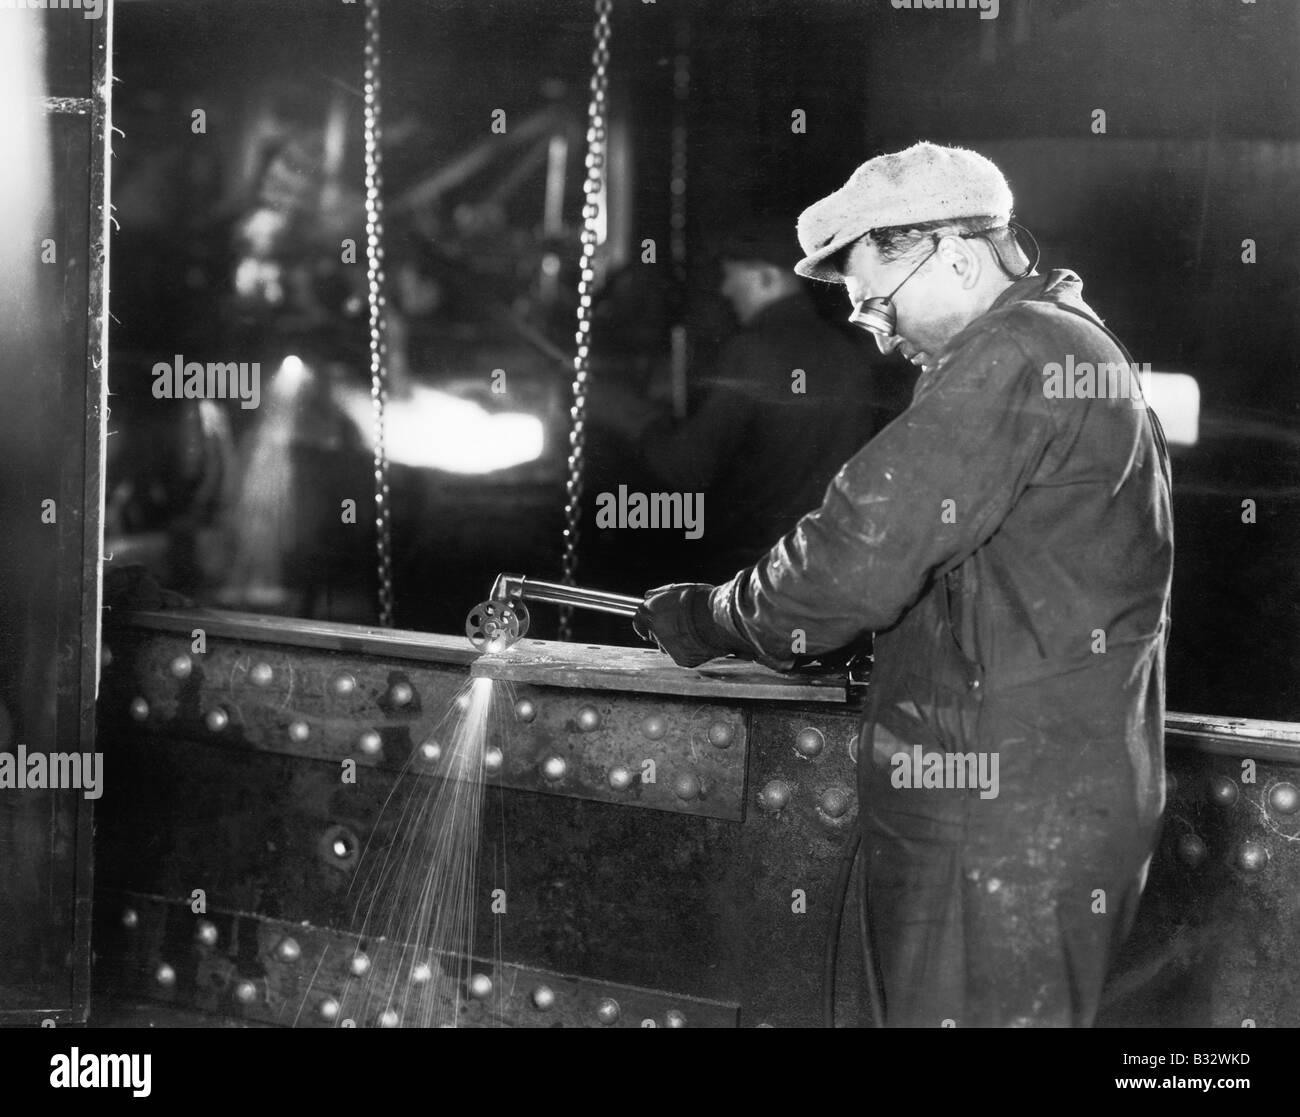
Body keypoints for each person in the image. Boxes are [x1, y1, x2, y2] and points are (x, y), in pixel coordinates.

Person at [635, 142, 1174, 1028]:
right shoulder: (1075, 342)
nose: (878, 331)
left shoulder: (1014, 351)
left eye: (880, 302)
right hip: (1051, 798)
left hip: (993, 816)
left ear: (955, 255)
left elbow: (852, 558)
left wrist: (712, 615)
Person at [590, 220, 884, 582]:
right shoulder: (845, 353)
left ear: (766, 278)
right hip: (824, 567)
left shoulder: (755, 350)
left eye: (733, 276)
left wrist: (622, 411)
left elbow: (687, 467)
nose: (726, 289)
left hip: (755, 573)